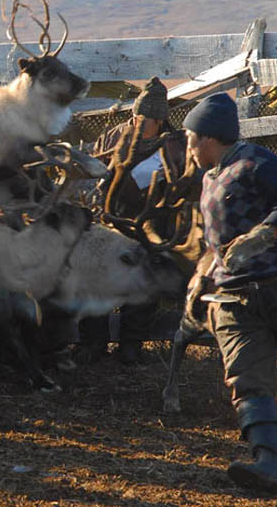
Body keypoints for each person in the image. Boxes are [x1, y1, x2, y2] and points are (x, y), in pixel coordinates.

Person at [184, 92, 277, 494]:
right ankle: (270, 464)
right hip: (234, 297)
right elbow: (215, 241)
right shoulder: (209, 178)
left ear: (208, 138)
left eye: (190, 139)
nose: (187, 148)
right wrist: (202, 278)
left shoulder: (257, 163)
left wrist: (265, 232)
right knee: (247, 379)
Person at [81, 77, 189, 364]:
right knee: (96, 279)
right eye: (139, 116)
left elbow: (183, 187)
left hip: (152, 224)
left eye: (149, 118)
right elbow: (94, 174)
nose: (142, 123)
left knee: (143, 280)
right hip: (112, 221)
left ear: (161, 119)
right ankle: (94, 344)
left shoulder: (176, 145)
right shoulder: (113, 137)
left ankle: (131, 345)